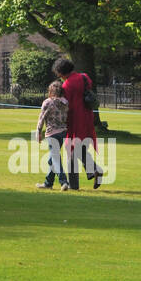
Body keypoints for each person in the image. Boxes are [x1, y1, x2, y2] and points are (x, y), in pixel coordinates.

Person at [54, 57, 104, 190]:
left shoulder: (67, 85)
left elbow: (65, 105)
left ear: (61, 72)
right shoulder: (84, 77)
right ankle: (94, 170)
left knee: (70, 149)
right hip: (88, 116)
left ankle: (75, 184)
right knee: (80, 148)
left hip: (75, 120)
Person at [34, 80, 69, 190]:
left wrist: (38, 132)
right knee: (52, 159)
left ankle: (64, 182)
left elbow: (41, 118)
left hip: (52, 133)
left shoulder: (47, 102)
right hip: (63, 132)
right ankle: (48, 183)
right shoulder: (65, 102)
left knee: (55, 158)